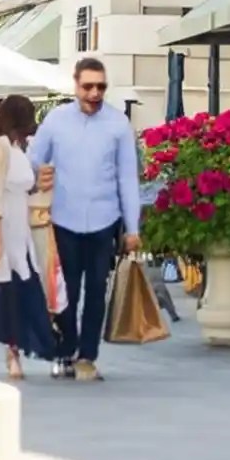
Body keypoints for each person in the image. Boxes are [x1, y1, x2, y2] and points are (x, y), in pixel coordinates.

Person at [27, 57, 141, 382]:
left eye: (100, 86)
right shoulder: (55, 121)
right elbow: (33, 160)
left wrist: (132, 228)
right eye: (88, 86)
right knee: (67, 292)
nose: (94, 93)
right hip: (63, 219)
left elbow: (127, 179)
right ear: (75, 85)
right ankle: (64, 352)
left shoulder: (118, 125)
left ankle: (87, 356)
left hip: (105, 220)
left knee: (96, 290)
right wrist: (37, 175)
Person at [0, 95, 58, 379]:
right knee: (10, 291)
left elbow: (22, 188)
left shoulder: (15, 148)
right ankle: (13, 353)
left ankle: (22, 349)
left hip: (19, 225)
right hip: (2, 224)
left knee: (23, 286)